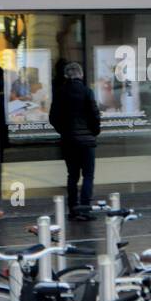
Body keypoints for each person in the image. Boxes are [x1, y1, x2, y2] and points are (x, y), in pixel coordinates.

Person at [49, 61, 101, 220]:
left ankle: (73, 209)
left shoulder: (60, 92)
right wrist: (94, 132)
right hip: (87, 142)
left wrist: (64, 131)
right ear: (81, 75)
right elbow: (95, 115)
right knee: (88, 175)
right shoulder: (87, 92)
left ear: (66, 76)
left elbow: (53, 117)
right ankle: (84, 210)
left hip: (68, 140)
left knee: (72, 175)